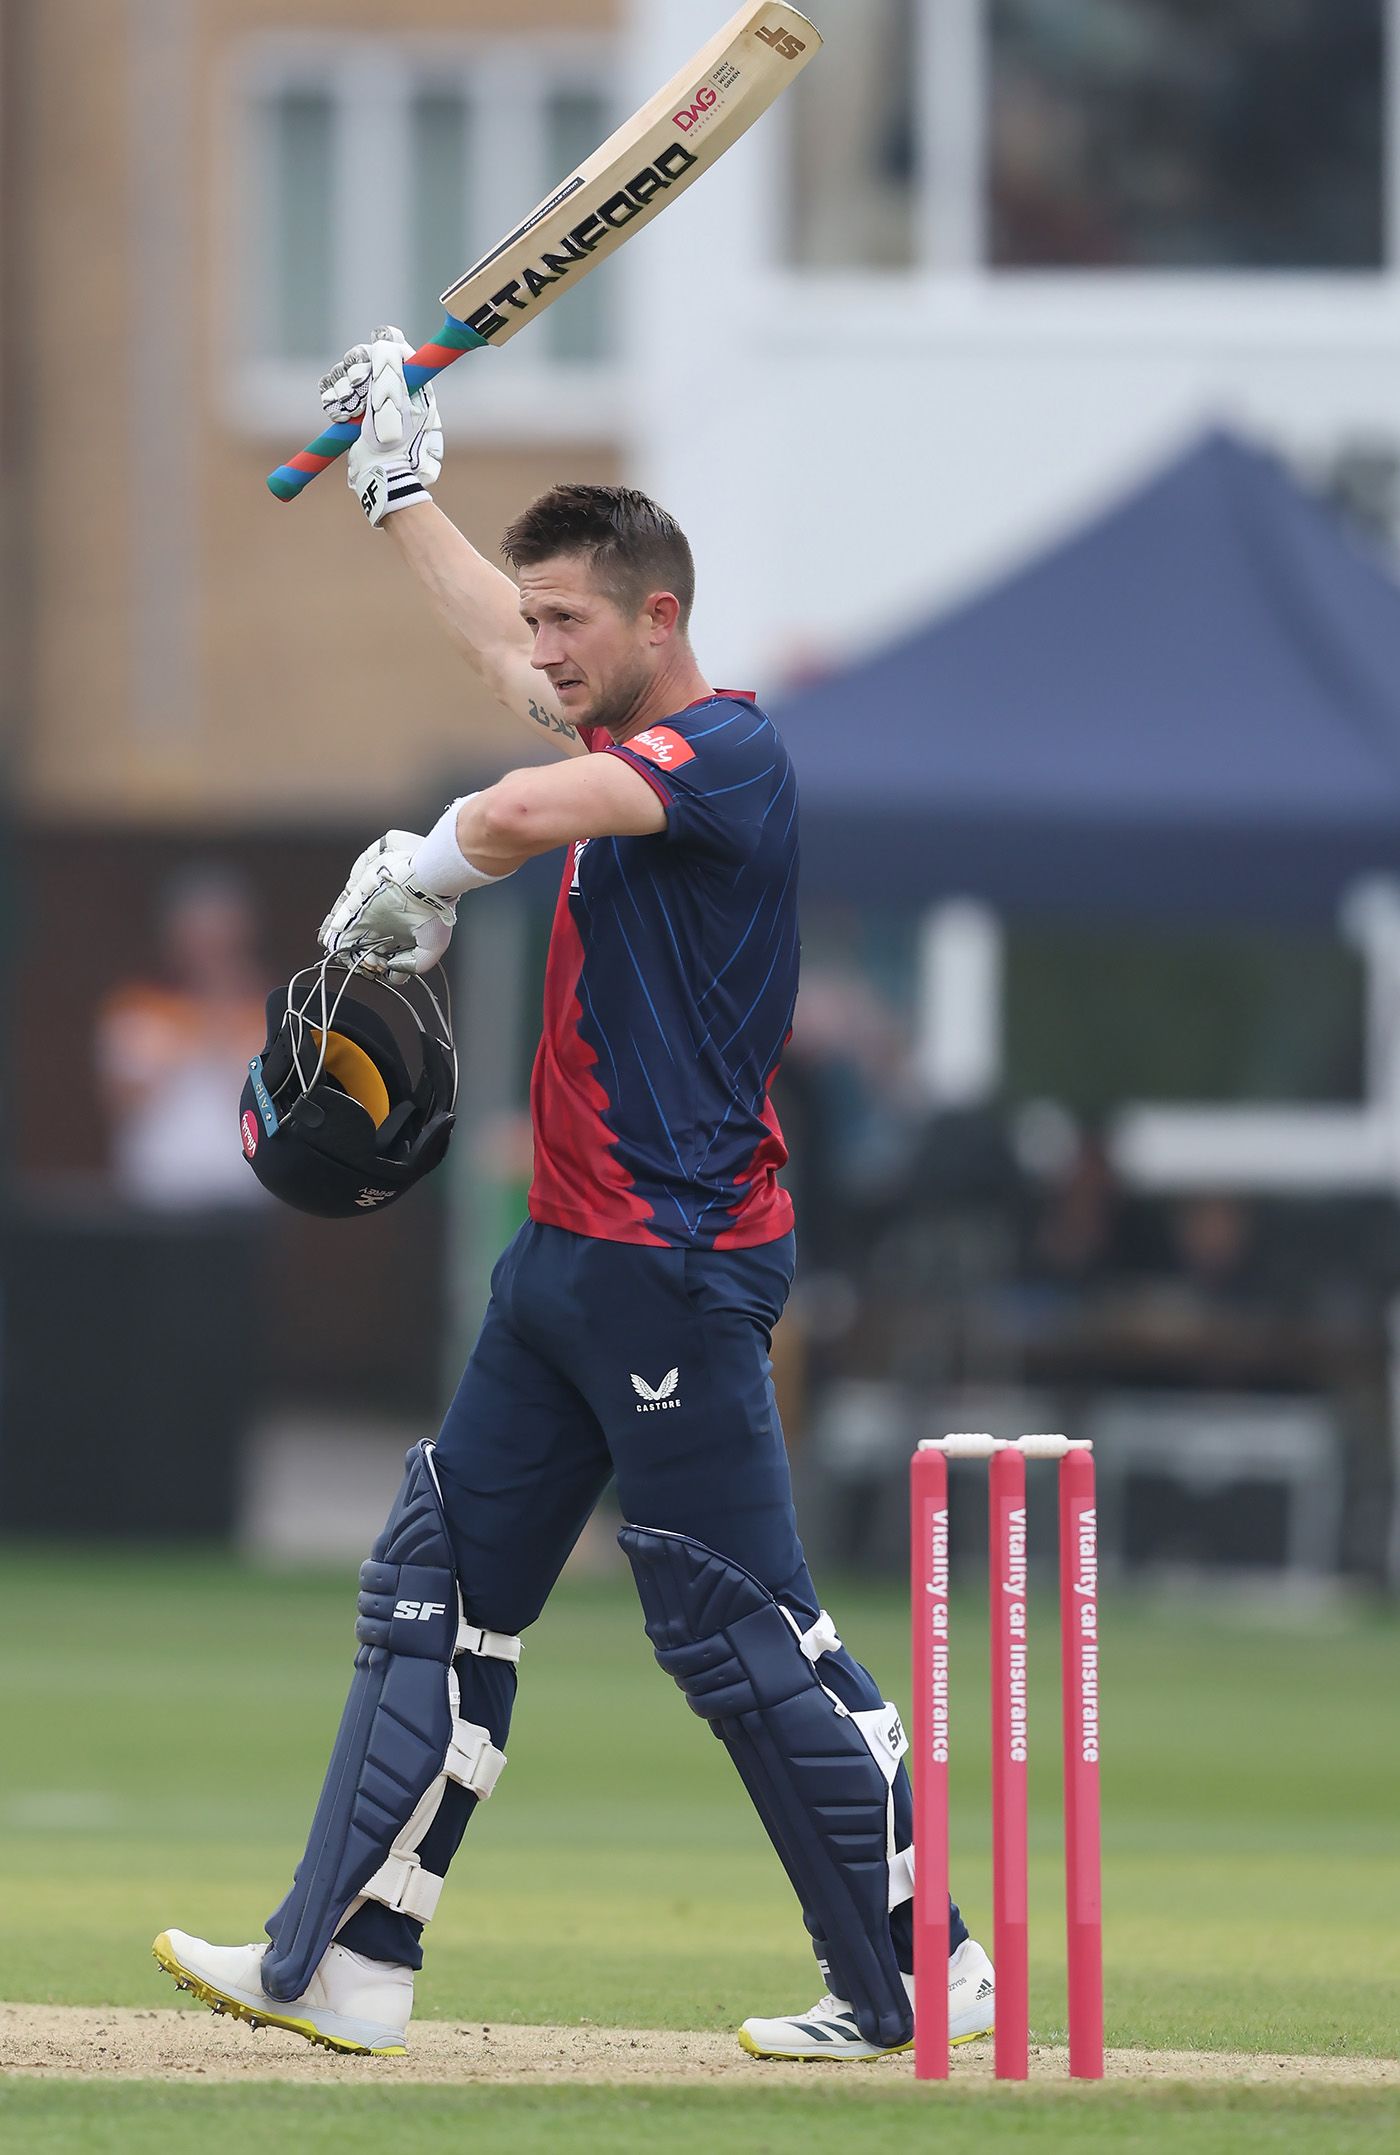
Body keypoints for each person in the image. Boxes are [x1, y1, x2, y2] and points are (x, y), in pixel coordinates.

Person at [154, 331, 994, 2062]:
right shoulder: (607, 718)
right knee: (434, 1586)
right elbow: (507, 690)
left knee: (736, 1627)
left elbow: (538, 800)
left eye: (571, 625)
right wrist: (401, 489)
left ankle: (927, 1980)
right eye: (536, 625)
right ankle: (345, 1960)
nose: (540, 651)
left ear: (660, 620)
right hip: (567, 1266)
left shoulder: (727, 758)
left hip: (677, 1267)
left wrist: (420, 867)